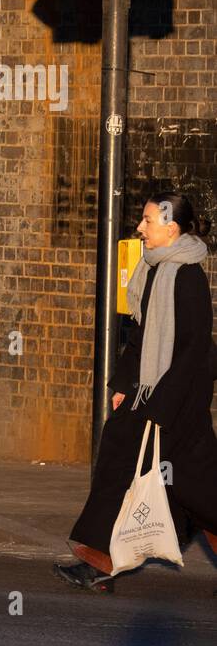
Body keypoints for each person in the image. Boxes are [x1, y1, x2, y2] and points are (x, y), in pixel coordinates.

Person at [53, 192, 217, 592]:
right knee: (121, 460)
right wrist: (126, 385)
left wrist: (161, 405)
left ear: (171, 228)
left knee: (195, 487)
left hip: (180, 400)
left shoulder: (187, 275)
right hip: (151, 393)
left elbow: (195, 349)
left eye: (148, 221)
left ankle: (100, 561)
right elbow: (142, 334)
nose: (140, 228)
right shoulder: (153, 268)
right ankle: (98, 560)